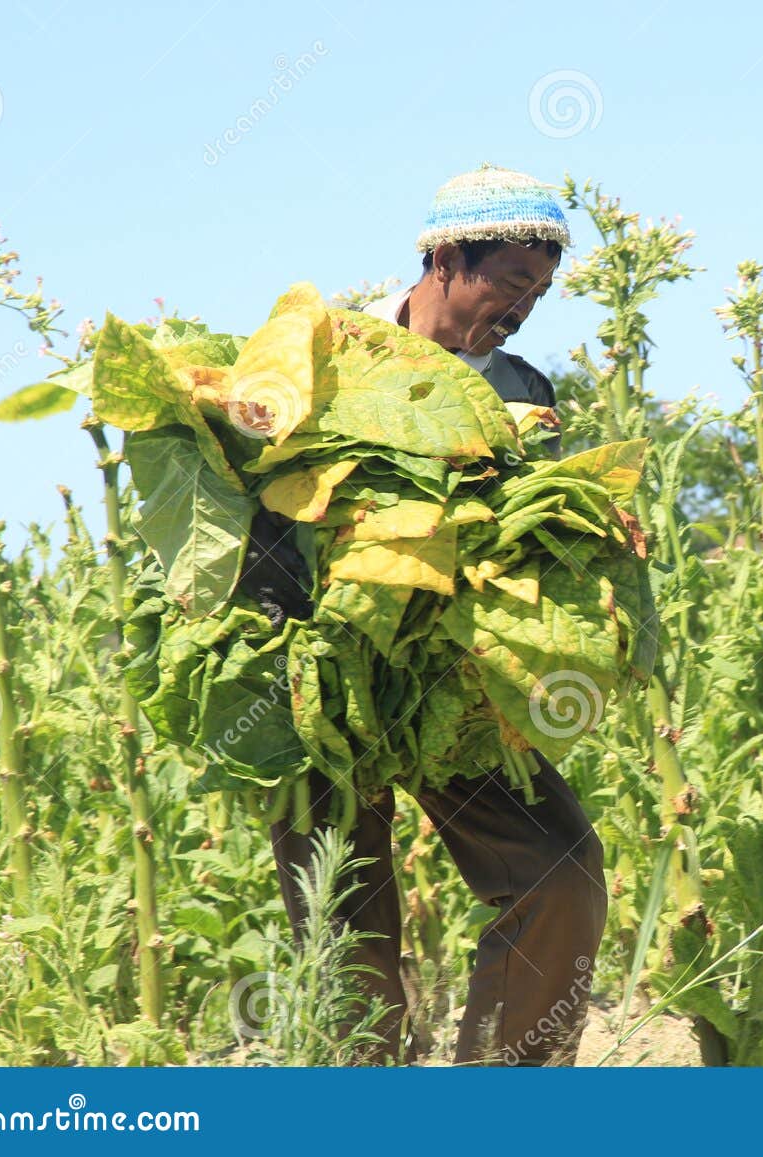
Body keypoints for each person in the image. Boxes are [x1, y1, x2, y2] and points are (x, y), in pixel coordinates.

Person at [251, 164, 607, 1066]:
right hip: (320, 678)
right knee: (346, 928)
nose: (525, 307)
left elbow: (534, 536)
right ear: (447, 259)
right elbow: (251, 491)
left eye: (541, 292)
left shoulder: (523, 389)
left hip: (456, 687)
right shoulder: (329, 350)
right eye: (513, 282)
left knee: (559, 876)